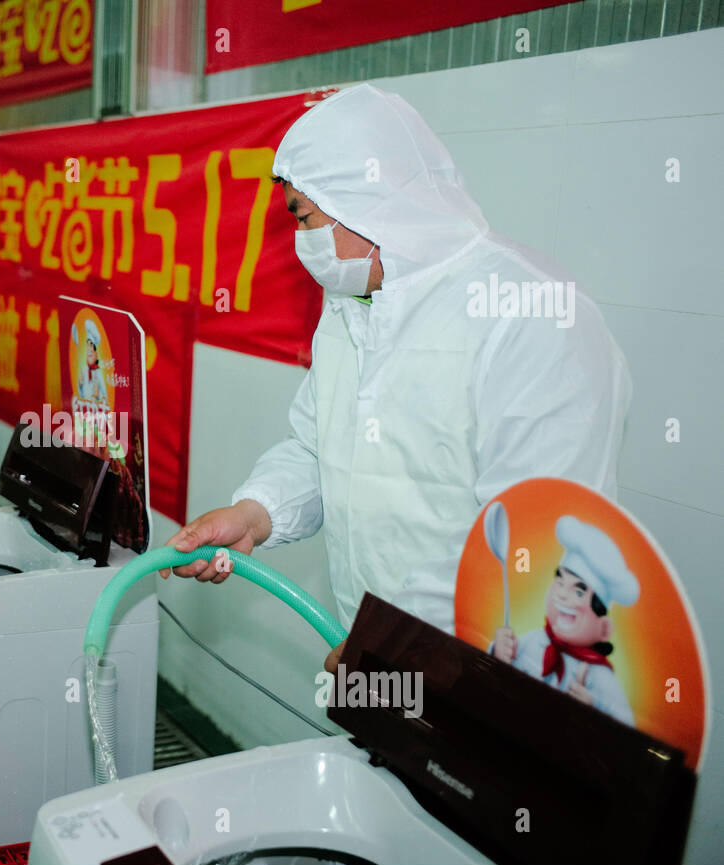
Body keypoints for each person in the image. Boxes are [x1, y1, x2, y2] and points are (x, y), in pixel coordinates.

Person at [160, 84, 631, 676]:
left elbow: (535, 539)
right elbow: (317, 448)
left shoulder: (530, 314)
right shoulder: (354, 307)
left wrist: (396, 640)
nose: (300, 240)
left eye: (304, 217)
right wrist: (255, 513)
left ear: (366, 200)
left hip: (502, 677)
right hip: (387, 659)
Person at [490, 516, 638, 725]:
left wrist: (594, 720)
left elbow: (630, 744)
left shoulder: (600, 679)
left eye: (578, 592)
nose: (562, 595)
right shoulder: (534, 640)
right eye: (560, 582)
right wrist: (497, 652)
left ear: (604, 628)